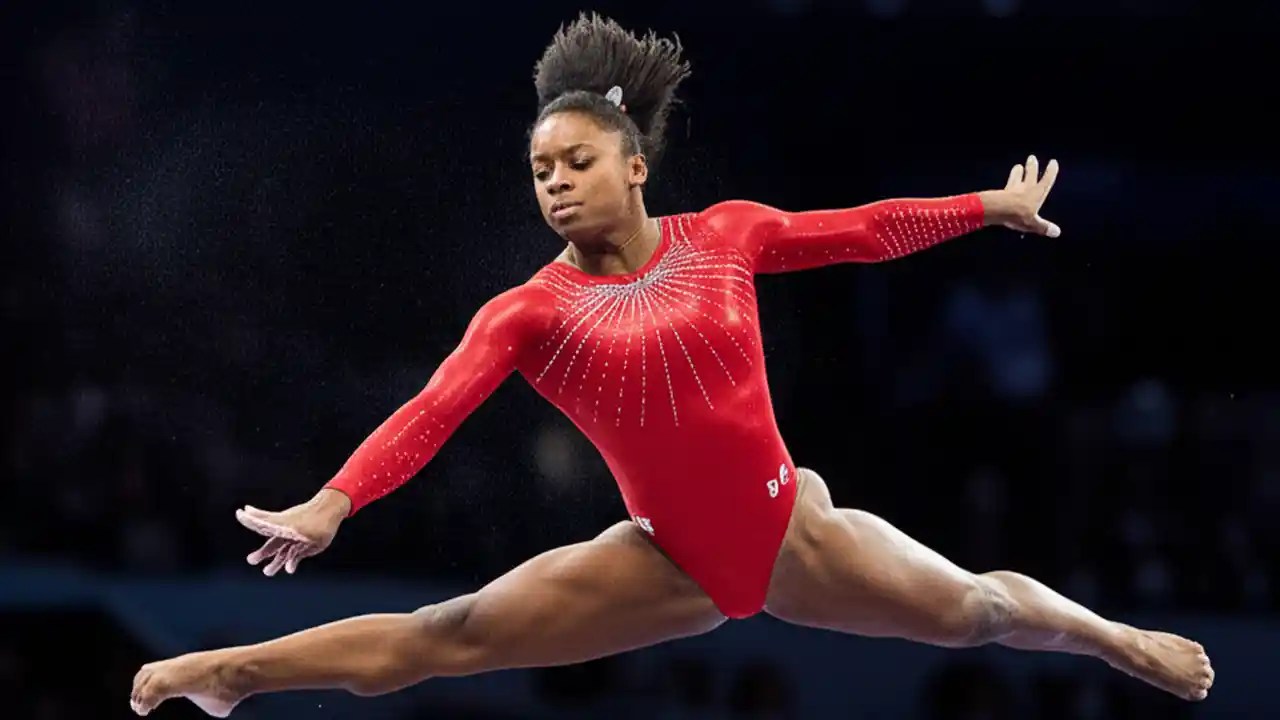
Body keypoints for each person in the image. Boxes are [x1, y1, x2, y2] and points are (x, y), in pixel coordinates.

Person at [130, 12, 1213, 717]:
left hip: (792, 532)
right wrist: (330, 504)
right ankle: (231, 675)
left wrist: (988, 207)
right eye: (538, 168)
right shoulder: (528, 312)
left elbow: (861, 228)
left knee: (978, 612)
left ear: (634, 164)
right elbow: (434, 407)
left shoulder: (727, 235)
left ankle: (1112, 639)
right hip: (665, 561)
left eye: (576, 161)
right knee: (438, 638)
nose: (552, 182)